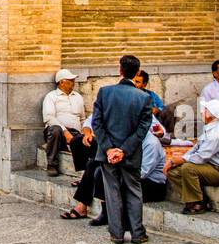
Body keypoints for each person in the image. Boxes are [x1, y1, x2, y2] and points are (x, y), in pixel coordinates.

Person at [63, 67, 167, 222]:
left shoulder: (148, 137)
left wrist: (117, 166)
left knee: (107, 173)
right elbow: (93, 122)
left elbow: (142, 173)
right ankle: (88, 207)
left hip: (147, 181)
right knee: (95, 166)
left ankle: (122, 222)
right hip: (125, 159)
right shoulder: (111, 104)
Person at [91, 54, 155, 244]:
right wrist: (124, 150)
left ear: (120, 70)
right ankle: (137, 232)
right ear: (137, 73)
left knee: (112, 192)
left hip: (107, 153)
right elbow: (142, 129)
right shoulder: (143, 98)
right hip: (131, 153)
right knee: (134, 191)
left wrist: (110, 149)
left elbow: (97, 123)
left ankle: (116, 233)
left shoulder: (104, 92)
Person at [167, 99, 219, 214]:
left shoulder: (217, 131)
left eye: (205, 110)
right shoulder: (209, 128)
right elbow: (196, 149)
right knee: (173, 171)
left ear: (211, 114)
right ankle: (199, 197)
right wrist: (177, 160)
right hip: (209, 166)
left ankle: (197, 203)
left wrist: (181, 160)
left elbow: (202, 156)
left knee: (187, 168)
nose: (202, 112)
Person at [41, 68, 88, 177]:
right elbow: (49, 118)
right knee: (56, 129)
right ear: (61, 82)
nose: (73, 83)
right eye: (70, 80)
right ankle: (52, 164)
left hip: (75, 132)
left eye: (73, 80)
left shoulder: (78, 97)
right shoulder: (51, 96)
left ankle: (85, 171)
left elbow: (82, 118)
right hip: (56, 132)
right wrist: (65, 131)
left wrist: (86, 131)